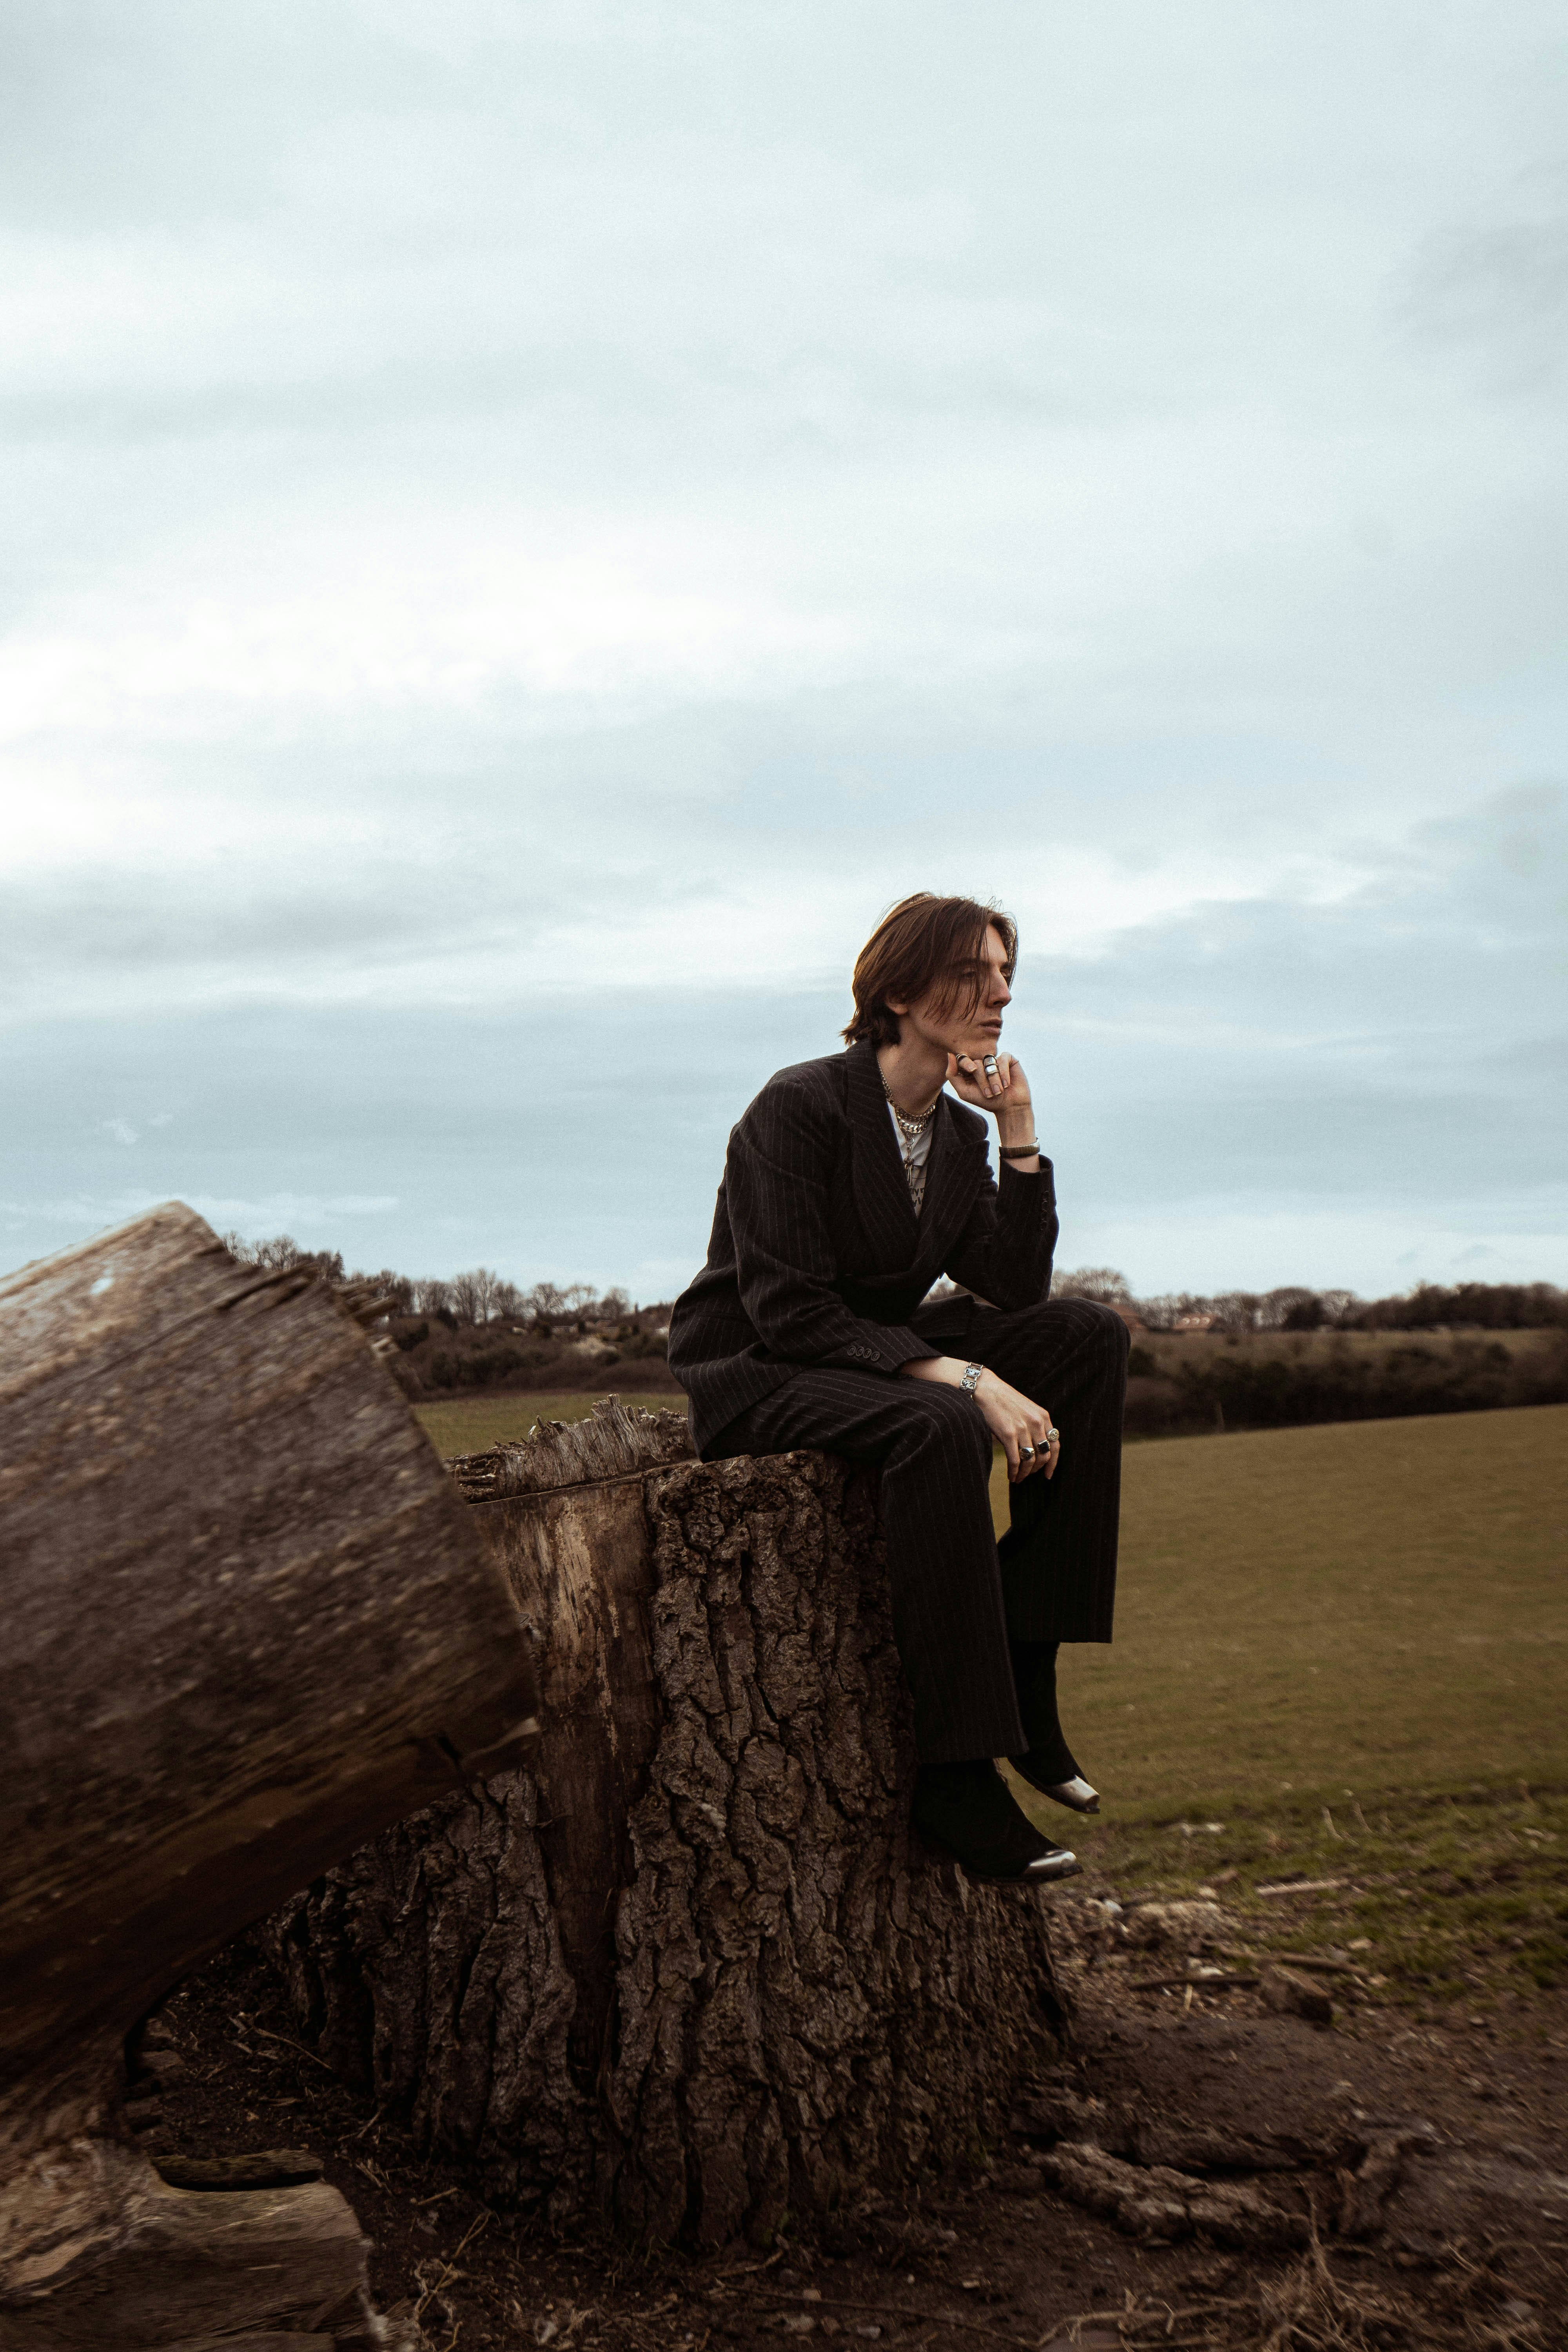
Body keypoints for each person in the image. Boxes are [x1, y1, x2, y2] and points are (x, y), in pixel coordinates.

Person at [668, 892, 1129, 1883]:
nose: (1000, 994)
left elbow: (1013, 1288)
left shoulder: (954, 1137)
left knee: (1085, 1337)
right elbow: (788, 1310)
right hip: (758, 1364)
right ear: (900, 987)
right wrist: (968, 1379)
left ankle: (1025, 1650)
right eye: (976, 972)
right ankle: (954, 1769)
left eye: (1007, 973)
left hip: (868, 1342)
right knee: (939, 1426)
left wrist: (1017, 1132)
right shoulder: (797, 1106)